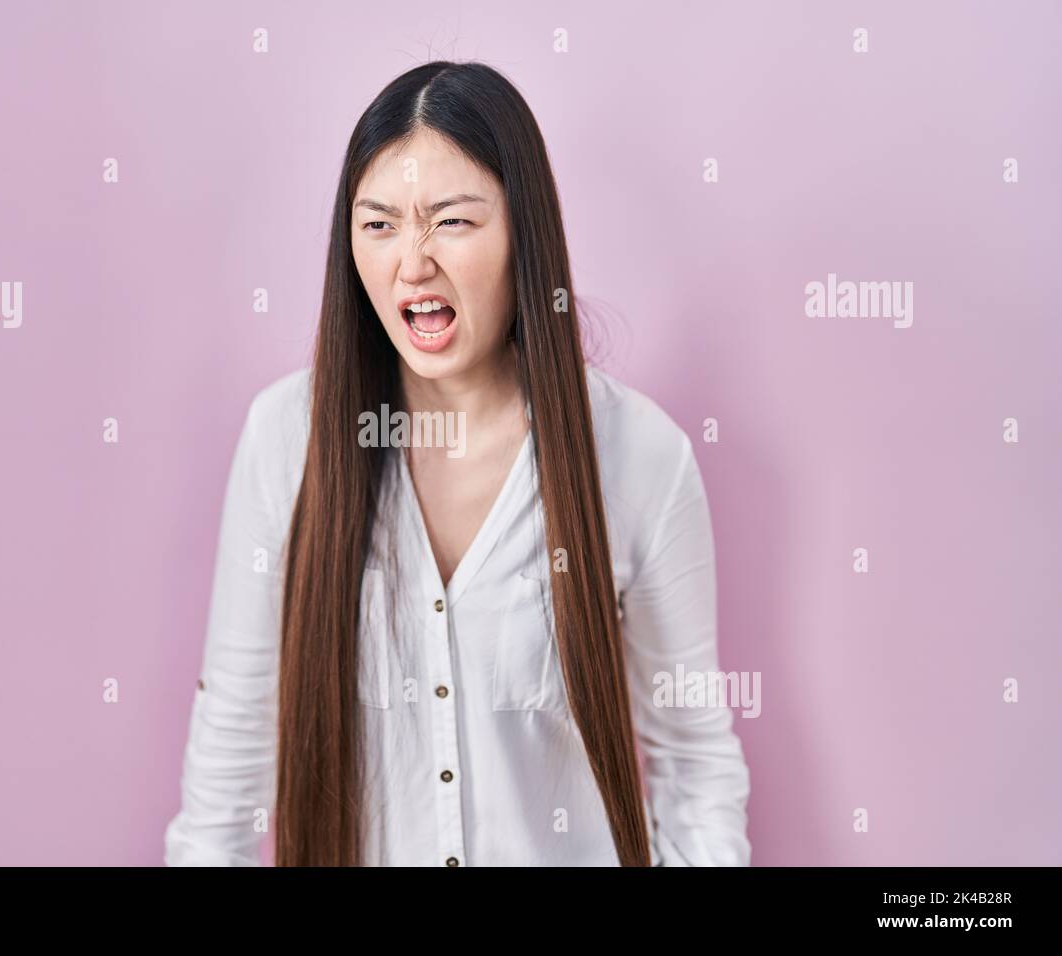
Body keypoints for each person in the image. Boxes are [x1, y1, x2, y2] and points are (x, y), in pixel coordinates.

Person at [164, 60, 751, 866]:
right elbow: (226, 767)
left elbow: (696, 766)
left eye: (452, 221)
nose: (413, 263)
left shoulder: (640, 455)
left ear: (524, 233)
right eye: (379, 225)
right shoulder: (283, 439)